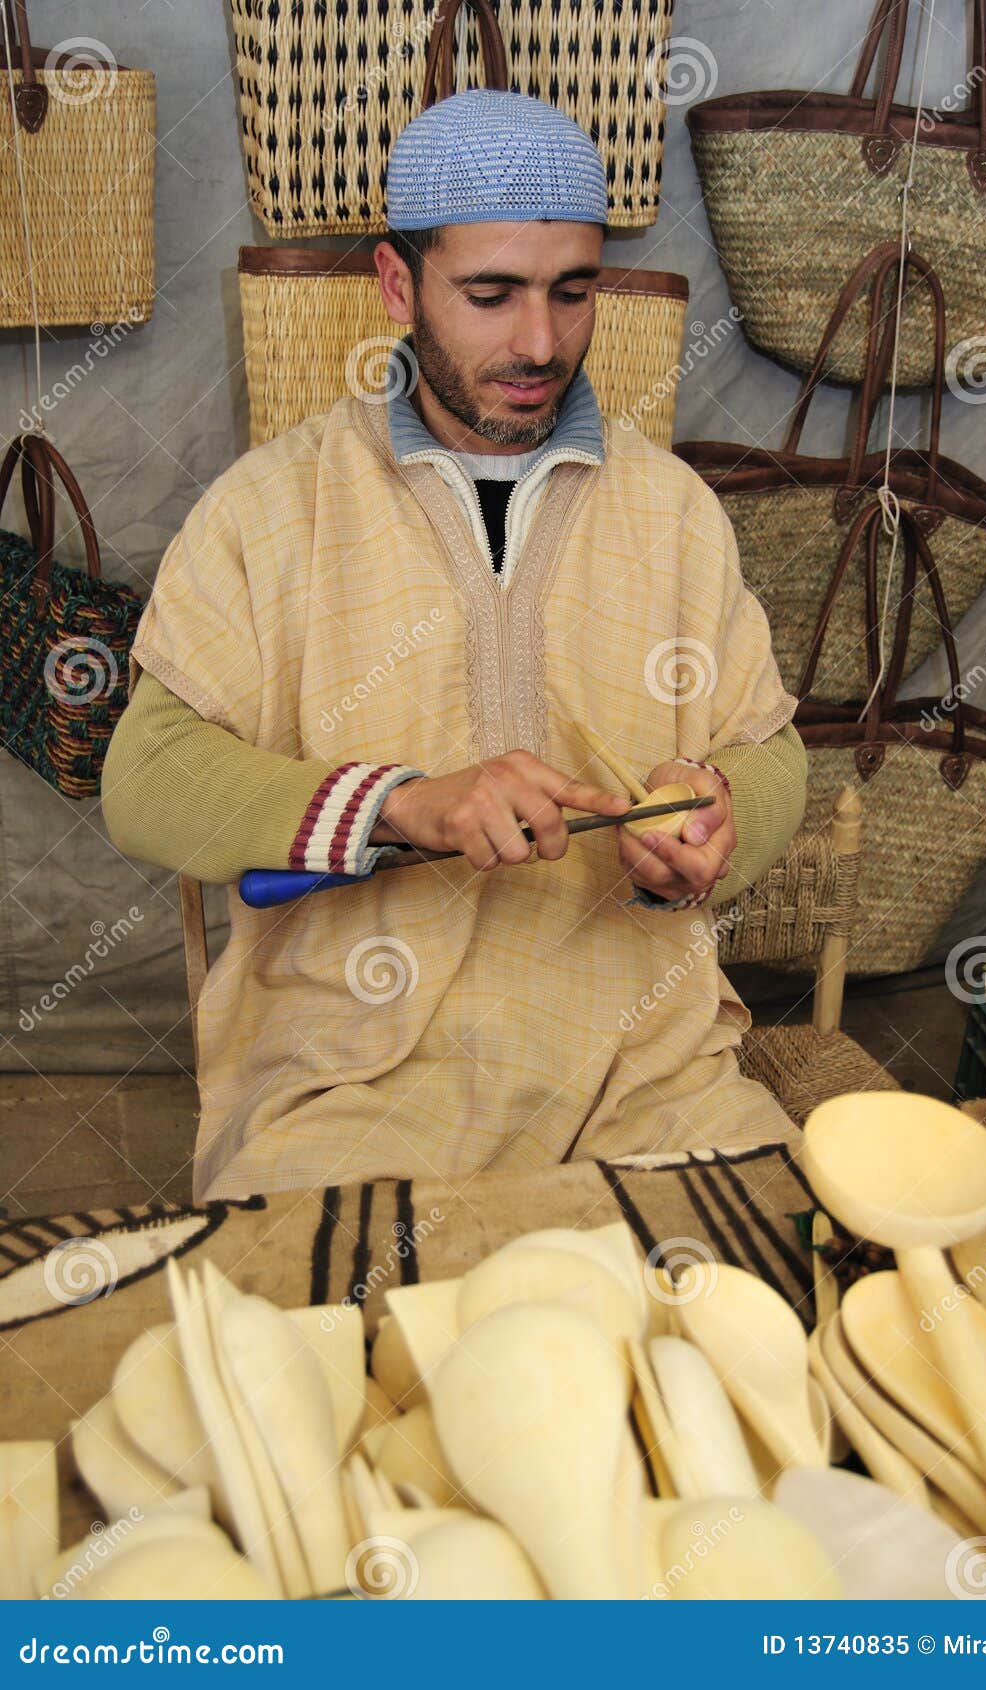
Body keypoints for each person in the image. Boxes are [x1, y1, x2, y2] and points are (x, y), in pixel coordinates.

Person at [101, 90, 807, 1203]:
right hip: (356, 1072)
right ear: (397, 283)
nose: (539, 341)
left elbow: (773, 754)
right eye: (491, 294)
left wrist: (720, 809)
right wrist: (403, 803)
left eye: (572, 292)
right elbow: (145, 780)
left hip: (648, 1068)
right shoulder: (272, 508)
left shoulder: (671, 511)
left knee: (769, 1297)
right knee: (323, 1343)